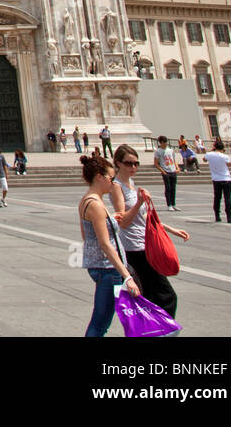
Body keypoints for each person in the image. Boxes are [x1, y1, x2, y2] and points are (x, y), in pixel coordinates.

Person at [109, 144, 189, 319]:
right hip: (134, 248)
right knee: (167, 296)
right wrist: (138, 202)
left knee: (152, 297)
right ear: (118, 163)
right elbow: (122, 221)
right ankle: (163, 330)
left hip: (145, 244)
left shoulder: (130, 183)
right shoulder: (116, 186)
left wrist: (169, 229)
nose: (133, 167)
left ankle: (155, 330)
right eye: (129, 163)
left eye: (136, 163)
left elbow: (143, 218)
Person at [78, 153, 141, 337]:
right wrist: (127, 276)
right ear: (99, 177)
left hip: (99, 266)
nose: (113, 183)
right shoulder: (96, 205)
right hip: (107, 268)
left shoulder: (86, 200)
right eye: (111, 178)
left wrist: (110, 220)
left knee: (101, 320)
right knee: (100, 323)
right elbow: (105, 244)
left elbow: (86, 235)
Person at [200, 139, 231, 223]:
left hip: (216, 179)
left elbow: (204, 159)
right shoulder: (224, 156)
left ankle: (217, 216)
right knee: (227, 198)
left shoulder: (209, 155)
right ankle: (229, 216)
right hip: (226, 178)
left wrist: (212, 150)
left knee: (217, 198)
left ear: (214, 147)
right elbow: (229, 164)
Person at [154, 136, 180, 210]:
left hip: (173, 170)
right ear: (161, 142)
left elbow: (174, 160)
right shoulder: (158, 151)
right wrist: (162, 171)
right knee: (168, 188)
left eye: (166, 142)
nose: (165, 143)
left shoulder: (170, 150)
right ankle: (169, 205)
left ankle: (173, 204)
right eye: (164, 142)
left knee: (173, 188)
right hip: (166, 171)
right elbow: (156, 163)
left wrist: (177, 168)